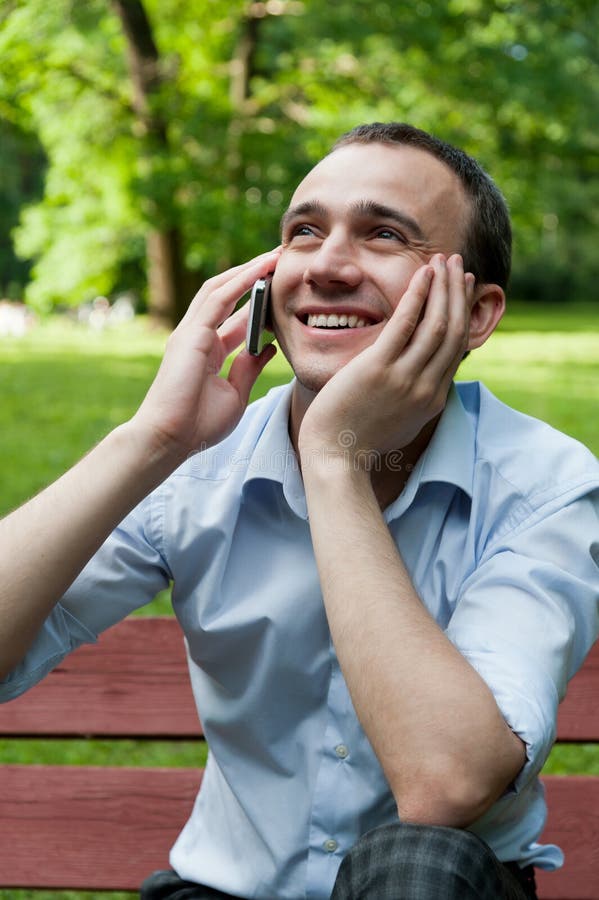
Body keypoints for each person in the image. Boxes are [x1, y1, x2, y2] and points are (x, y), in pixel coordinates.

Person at [1, 122, 598, 900]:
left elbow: (444, 787)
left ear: (476, 314)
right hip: (220, 892)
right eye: (303, 232)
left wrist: (335, 460)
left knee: (415, 865)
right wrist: (152, 439)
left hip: (430, 889)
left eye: (383, 234)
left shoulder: (545, 487)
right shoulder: (196, 465)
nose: (326, 265)